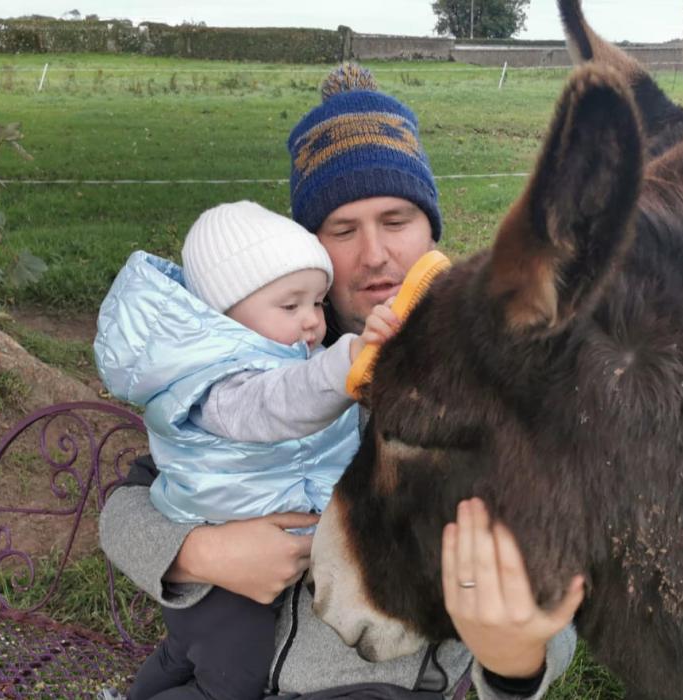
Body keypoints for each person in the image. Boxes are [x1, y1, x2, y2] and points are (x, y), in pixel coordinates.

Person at [99, 64, 581, 700]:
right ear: (312, 248)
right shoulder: (276, 359)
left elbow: (554, 587)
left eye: (397, 219)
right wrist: (199, 555)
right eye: (343, 230)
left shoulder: (499, 377)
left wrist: (516, 661)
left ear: (431, 228)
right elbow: (133, 501)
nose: (375, 254)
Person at [95, 201, 400, 700]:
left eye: (317, 303)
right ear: (223, 316)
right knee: (230, 685)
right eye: (290, 305)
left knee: (179, 655)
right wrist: (349, 361)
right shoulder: (224, 384)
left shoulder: (286, 355)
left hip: (244, 578)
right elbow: (278, 404)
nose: (311, 322)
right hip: (224, 582)